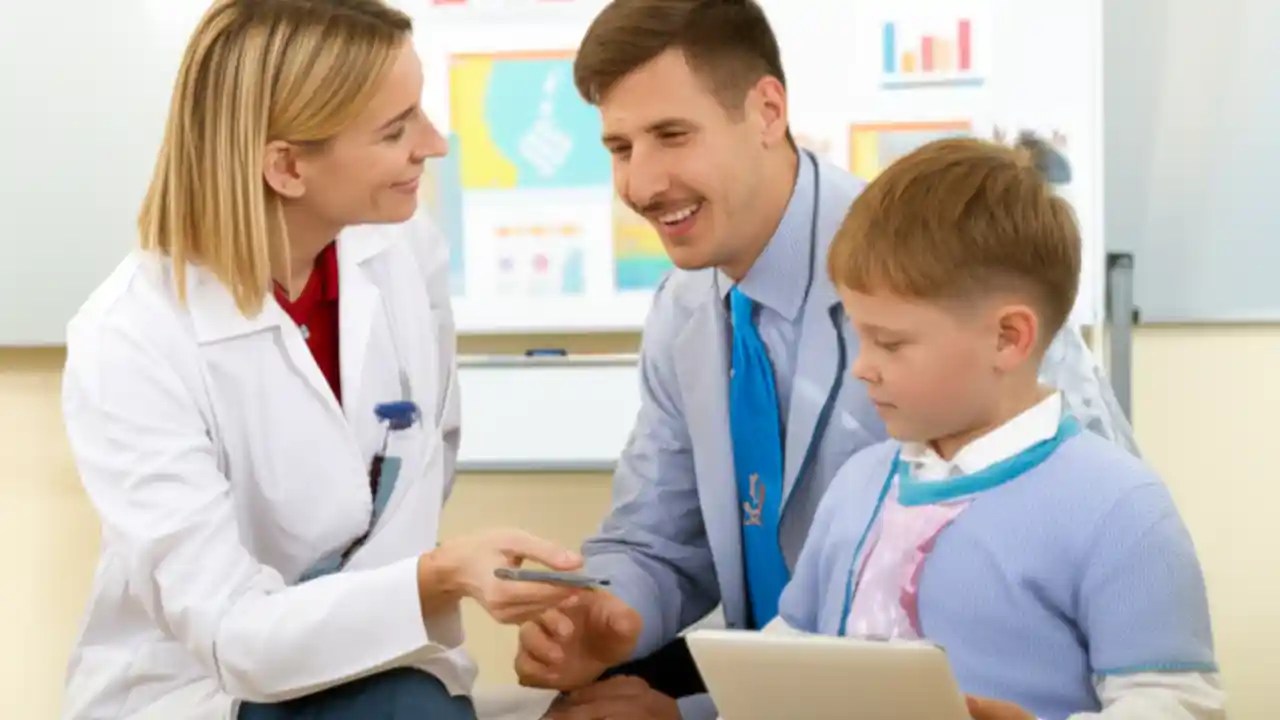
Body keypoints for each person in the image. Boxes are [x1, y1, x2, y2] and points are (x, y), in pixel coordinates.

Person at [514, 2, 1139, 719]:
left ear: (767, 111)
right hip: (785, 682)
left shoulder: (945, 267)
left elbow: (1101, 518)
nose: (642, 184)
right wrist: (610, 614)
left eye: (672, 136)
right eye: (620, 149)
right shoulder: (684, 310)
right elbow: (657, 540)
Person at [59, 2, 584, 718]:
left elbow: (430, 463)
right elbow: (235, 636)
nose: (435, 144)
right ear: (287, 166)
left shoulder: (404, 249)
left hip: (389, 676)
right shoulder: (131, 338)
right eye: (396, 130)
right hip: (201, 692)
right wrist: (434, 579)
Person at [773, 137, 1225, 719]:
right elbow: (792, 645)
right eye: (859, 335)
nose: (863, 365)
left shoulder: (1121, 508)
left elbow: (1175, 705)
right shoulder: (858, 483)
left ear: (1008, 338)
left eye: (890, 342)